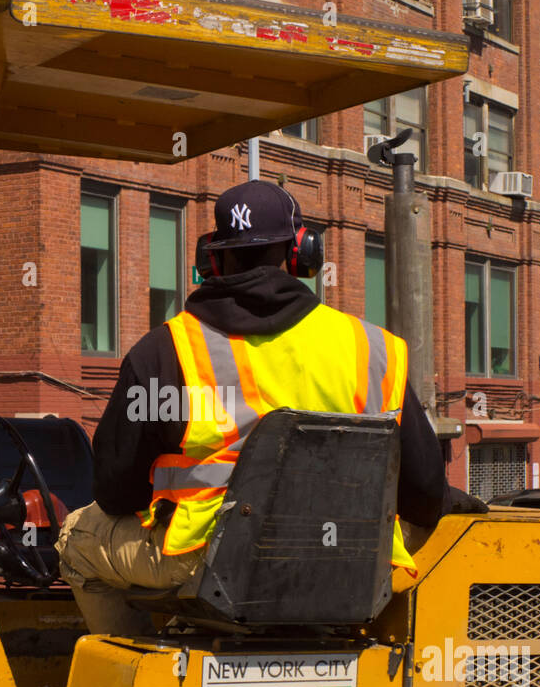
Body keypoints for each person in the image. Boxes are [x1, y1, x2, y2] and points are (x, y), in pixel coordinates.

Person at [55, 180, 450, 636]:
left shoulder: (167, 351)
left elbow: (115, 492)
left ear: (214, 259)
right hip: (346, 561)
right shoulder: (376, 351)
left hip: (211, 567)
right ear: (301, 254)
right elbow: (426, 495)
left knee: (75, 539)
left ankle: (145, 674)